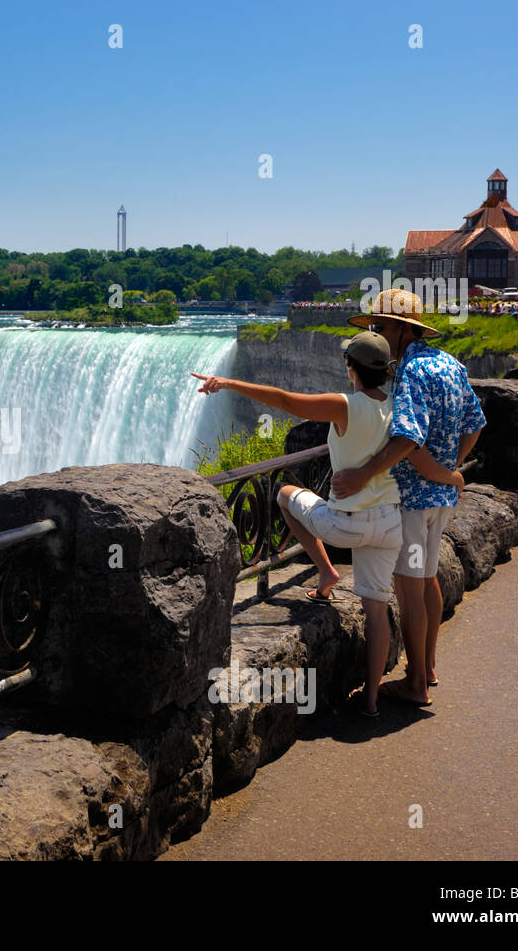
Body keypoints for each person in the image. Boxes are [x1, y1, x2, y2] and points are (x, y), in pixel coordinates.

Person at [191, 330, 462, 716]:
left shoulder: (344, 405)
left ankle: (325, 572)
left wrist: (228, 383)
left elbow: (286, 401)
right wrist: (451, 476)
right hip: (389, 525)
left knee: (285, 493)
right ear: (387, 371)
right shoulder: (400, 406)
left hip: (343, 523)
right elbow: (415, 448)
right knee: (376, 610)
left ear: (350, 368)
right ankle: (370, 699)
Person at [331, 288, 485, 707]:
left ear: (402, 329)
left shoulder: (413, 373)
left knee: (408, 587)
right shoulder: (448, 363)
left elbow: (406, 439)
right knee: (427, 579)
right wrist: (450, 468)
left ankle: (415, 684)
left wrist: (363, 474)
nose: (377, 333)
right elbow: (475, 421)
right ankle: (428, 666)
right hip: (440, 501)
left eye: (380, 326)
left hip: (414, 502)